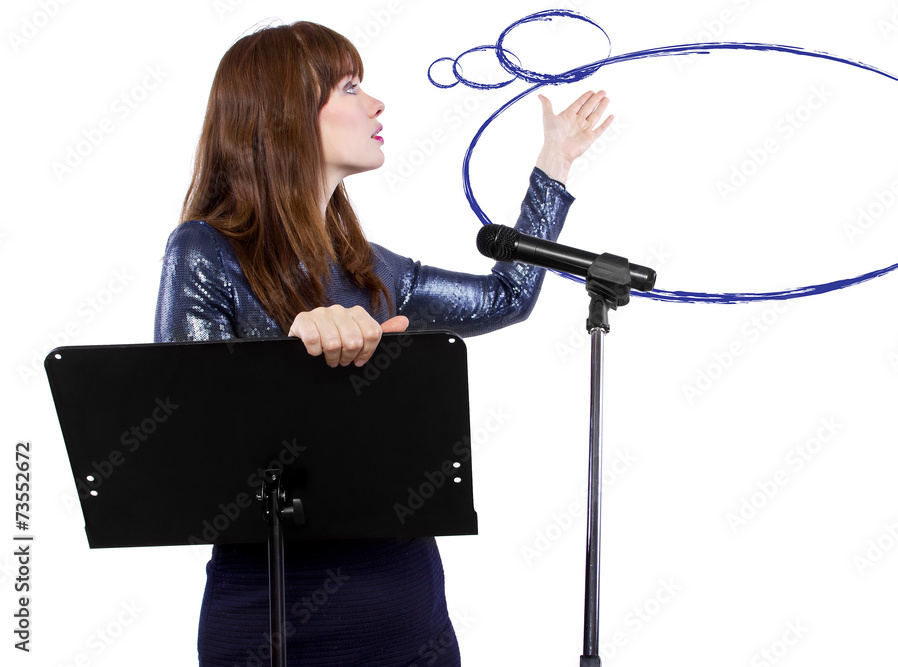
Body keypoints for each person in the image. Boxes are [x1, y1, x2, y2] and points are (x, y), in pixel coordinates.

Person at [154, 20, 612, 667]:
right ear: (285, 111)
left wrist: (553, 164)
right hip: (269, 623)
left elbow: (504, 297)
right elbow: (184, 456)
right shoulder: (205, 252)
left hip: (408, 616)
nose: (376, 103)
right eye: (349, 87)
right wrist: (290, 357)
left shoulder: (376, 270)